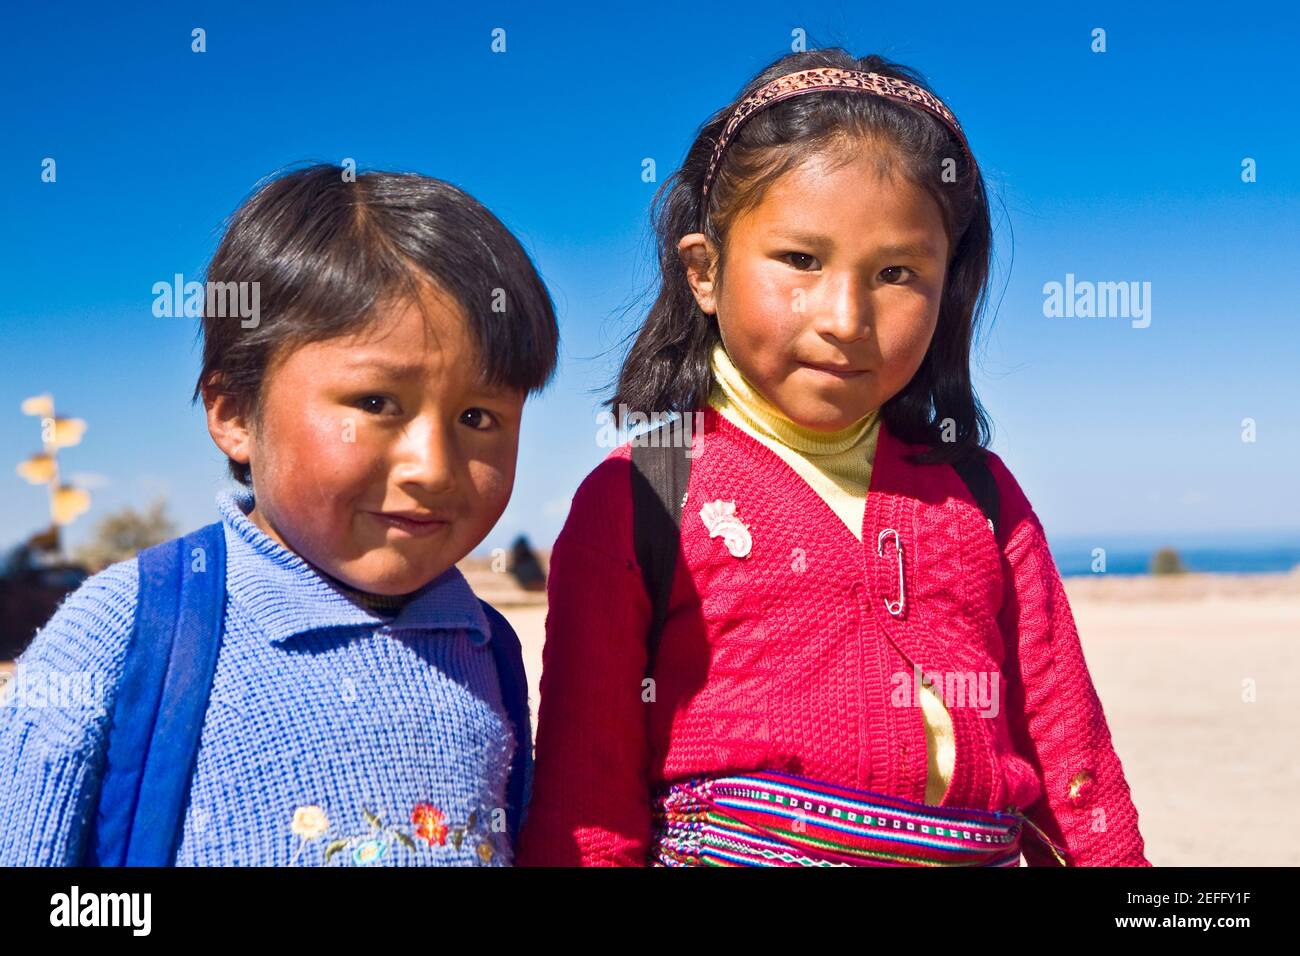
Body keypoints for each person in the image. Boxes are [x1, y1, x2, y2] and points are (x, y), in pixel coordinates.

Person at [517, 50, 1150, 867]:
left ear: (948, 287)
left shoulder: (978, 494)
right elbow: (587, 802)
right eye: (801, 261)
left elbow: (1073, 756)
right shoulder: (642, 497)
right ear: (705, 270)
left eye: (896, 273)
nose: (846, 317)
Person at [0, 164, 558, 866]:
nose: (433, 466)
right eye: (377, 403)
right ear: (234, 411)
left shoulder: (487, 648)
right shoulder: (133, 627)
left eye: (478, 416)